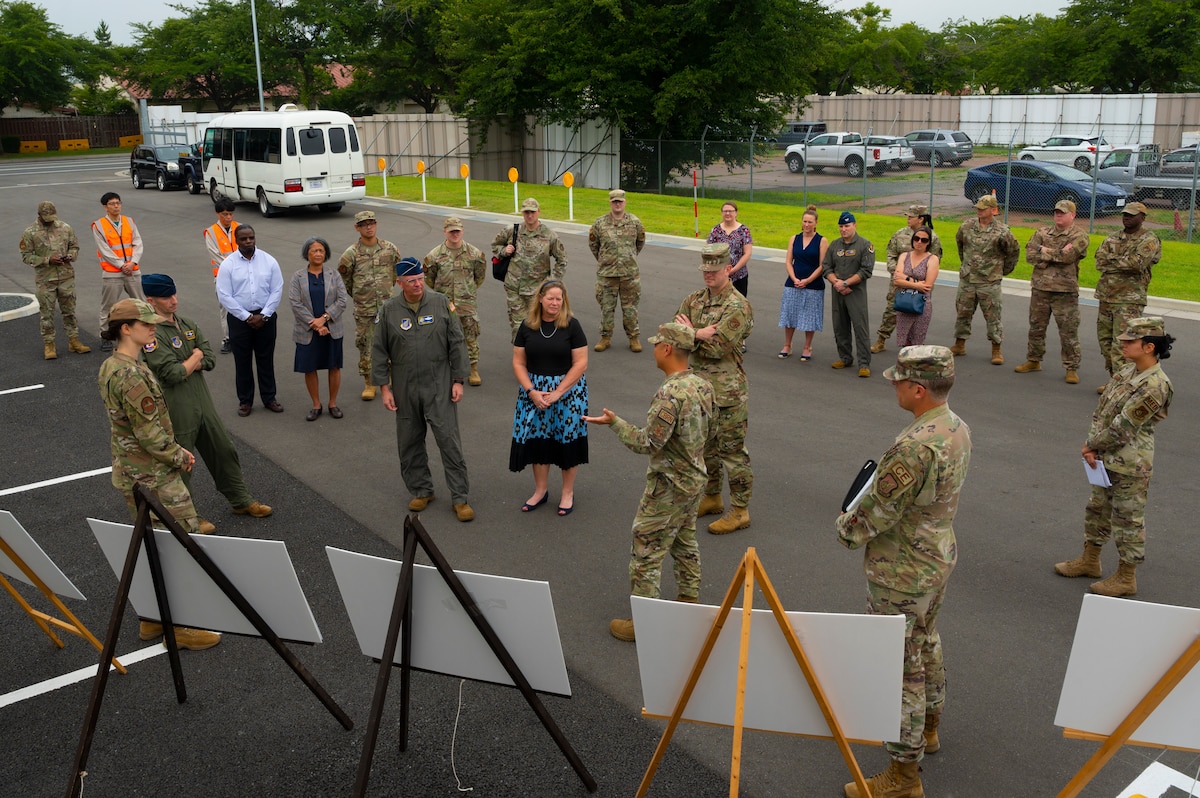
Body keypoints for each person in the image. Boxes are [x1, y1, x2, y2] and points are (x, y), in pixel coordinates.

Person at [836, 345, 971, 798]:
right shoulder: (955, 427)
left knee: (897, 664)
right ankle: (930, 727)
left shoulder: (914, 445)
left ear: (918, 389)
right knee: (925, 641)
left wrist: (846, 529)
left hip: (902, 568)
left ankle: (903, 775)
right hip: (936, 557)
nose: (893, 385)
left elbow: (877, 510)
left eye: (899, 380)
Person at [97, 298, 221, 651]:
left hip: (131, 473)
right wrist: (179, 456)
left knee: (152, 545)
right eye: (146, 323)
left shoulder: (111, 365)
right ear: (126, 328)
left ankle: (152, 618)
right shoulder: (130, 374)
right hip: (154, 476)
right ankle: (183, 626)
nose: (153, 327)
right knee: (183, 544)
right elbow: (149, 434)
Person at [584, 322, 714, 642]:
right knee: (684, 540)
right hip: (695, 477)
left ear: (667, 349)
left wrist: (614, 423)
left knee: (646, 548)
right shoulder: (703, 385)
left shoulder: (670, 393)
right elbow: (712, 434)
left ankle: (645, 621)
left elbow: (648, 443)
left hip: (669, 485)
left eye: (658, 344)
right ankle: (688, 602)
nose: (653, 348)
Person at [140, 274, 273, 532]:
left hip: (203, 401)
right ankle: (187, 516)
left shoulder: (187, 323)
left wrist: (193, 360)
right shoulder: (152, 335)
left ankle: (240, 499)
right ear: (151, 300)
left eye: (174, 294)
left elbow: (210, 359)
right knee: (181, 461)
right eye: (167, 297)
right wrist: (195, 356)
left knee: (223, 450)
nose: (174, 300)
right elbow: (171, 373)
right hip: (177, 406)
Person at [1054, 317, 1173, 598]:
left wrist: (1092, 445)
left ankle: (1126, 577)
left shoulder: (1155, 385)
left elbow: (1125, 426)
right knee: (1098, 509)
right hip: (1105, 454)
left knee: (1128, 518)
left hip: (1130, 462)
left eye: (1130, 341)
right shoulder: (1126, 371)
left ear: (1149, 347)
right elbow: (1104, 410)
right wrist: (1093, 445)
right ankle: (1090, 560)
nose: (1123, 344)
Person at [372, 257, 474, 522]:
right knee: (409, 442)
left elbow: (457, 342)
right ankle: (421, 489)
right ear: (399, 283)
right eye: (411, 281)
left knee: (448, 441)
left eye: (420, 279)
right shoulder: (388, 310)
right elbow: (379, 351)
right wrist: (384, 388)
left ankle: (460, 497)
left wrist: (458, 381)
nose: (418, 285)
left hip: (439, 384)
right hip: (405, 387)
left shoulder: (441, 303)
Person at [675, 243, 754, 535]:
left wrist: (689, 334)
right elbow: (670, 334)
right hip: (697, 388)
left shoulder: (737, 306)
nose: (708, 274)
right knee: (705, 449)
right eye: (705, 269)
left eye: (714, 269)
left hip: (727, 392)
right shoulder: (694, 300)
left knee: (732, 453)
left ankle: (740, 509)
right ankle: (711, 496)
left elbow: (720, 346)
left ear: (728, 269)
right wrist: (698, 333)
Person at [511, 279, 589, 516]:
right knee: (538, 441)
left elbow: (581, 363)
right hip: (534, 392)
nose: (555, 303)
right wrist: (531, 392)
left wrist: (558, 392)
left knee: (567, 442)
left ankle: (567, 492)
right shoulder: (526, 326)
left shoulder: (572, 326)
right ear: (540, 299)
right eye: (551, 298)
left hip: (568, 392)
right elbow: (518, 362)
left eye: (559, 298)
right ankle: (540, 491)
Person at [1014, 199, 1090, 384]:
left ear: (1072, 215)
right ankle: (1034, 360)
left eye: (1063, 212)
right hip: (1041, 289)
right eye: (1056, 211)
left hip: (1065, 291)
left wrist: (1044, 251)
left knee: (1068, 331)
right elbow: (1030, 255)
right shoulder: (1041, 232)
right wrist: (1053, 254)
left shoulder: (1079, 235)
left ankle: (1071, 367)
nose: (1058, 215)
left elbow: (1068, 257)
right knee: (1036, 327)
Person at [215, 225, 284, 416]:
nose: (248, 242)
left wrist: (265, 314)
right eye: (244, 239)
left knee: (265, 359)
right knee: (242, 361)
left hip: (266, 318)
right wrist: (247, 317)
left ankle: (269, 398)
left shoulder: (268, 261)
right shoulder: (228, 264)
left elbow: (277, 289)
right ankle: (245, 401)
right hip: (239, 320)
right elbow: (224, 295)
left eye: (251, 238)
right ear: (237, 241)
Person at [1093, 202, 1162, 393]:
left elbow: (1137, 264)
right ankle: (1115, 380)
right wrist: (1121, 261)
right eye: (1125, 214)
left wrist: (1112, 261)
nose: (1127, 218)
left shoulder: (1149, 239)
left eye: (1132, 215)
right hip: (1106, 296)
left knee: (1122, 344)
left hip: (1129, 300)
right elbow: (1099, 260)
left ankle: (1123, 386)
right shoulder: (1114, 237)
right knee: (1105, 341)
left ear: (1142, 217)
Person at [338, 210, 402, 401]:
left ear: (376, 224)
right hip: (364, 308)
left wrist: (384, 291)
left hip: (387, 306)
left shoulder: (390, 249)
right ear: (357, 227)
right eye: (364, 224)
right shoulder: (351, 254)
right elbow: (346, 281)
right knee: (366, 344)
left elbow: (396, 274)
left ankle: (389, 376)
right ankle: (369, 382)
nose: (368, 226)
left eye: (371, 222)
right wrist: (362, 295)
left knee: (391, 342)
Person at [950, 194, 1020, 365]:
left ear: (993, 210)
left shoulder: (1002, 231)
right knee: (962, 313)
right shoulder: (966, 226)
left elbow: (1013, 252)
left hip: (989, 282)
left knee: (993, 316)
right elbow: (961, 246)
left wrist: (1001, 271)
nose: (979, 211)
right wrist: (966, 266)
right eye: (978, 208)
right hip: (967, 280)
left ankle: (996, 349)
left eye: (983, 208)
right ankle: (960, 344)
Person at [20, 201, 90, 360]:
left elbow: (74, 246)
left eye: (52, 217)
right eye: (47, 218)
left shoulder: (65, 228)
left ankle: (74, 340)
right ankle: (49, 343)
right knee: (47, 313)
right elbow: (26, 256)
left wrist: (70, 256)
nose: (50, 221)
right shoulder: (30, 232)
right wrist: (47, 260)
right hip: (45, 279)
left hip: (66, 277)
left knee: (70, 311)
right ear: (39, 216)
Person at [288, 238, 349, 421]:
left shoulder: (334, 275)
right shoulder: (297, 277)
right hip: (307, 330)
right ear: (307, 253)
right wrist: (314, 324)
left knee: (334, 366)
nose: (318, 254)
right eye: (314, 250)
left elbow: (342, 300)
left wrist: (324, 319)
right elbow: (295, 303)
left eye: (321, 251)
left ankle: (332, 403)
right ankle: (316, 404)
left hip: (332, 329)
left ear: (326, 253)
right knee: (310, 367)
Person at [423, 216, 487, 386]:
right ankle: (444, 370)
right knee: (442, 338)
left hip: (467, 303)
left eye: (457, 231)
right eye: (451, 231)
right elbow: (429, 279)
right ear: (445, 232)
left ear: (462, 231)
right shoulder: (434, 255)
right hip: (444, 304)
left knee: (471, 336)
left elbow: (479, 277)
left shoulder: (475, 254)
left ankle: (473, 369)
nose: (455, 234)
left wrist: (466, 292)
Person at [872, 205, 944, 354]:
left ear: (921, 219)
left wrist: (911, 280)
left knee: (917, 312)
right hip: (899, 283)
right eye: (908, 216)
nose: (908, 219)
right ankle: (881, 339)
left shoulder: (932, 237)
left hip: (920, 286)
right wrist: (896, 273)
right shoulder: (900, 234)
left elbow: (935, 261)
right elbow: (891, 255)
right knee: (892, 309)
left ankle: (914, 344)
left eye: (911, 216)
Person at [494, 198, 569, 338]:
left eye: (533, 212)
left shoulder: (549, 235)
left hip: (538, 291)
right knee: (517, 326)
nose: (530, 215)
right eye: (526, 212)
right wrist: (504, 251)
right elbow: (495, 246)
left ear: (538, 212)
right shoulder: (512, 231)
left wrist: (552, 282)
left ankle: (537, 355)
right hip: (514, 287)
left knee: (537, 325)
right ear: (522, 213)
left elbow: (562, 259)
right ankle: (521, 356)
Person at [589, 188, 646, 353]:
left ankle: (633, 337)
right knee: (606, 308)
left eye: (620, 201)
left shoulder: (635, 222)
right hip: (607, 274)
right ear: (610, 203)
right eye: (614, 201)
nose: (617, 204)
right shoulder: (599, 223)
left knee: (630, 308)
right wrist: (606, 260)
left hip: (629, 274)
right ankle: (605, 337)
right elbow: (594, 245)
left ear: (625, 202)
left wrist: (628, 258)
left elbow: (639, 243)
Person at [822, 211, 875, 377]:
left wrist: (846, 283)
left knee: (860, 327)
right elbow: (826, 267)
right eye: (841, 226)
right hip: (837, 291)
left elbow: (866, 270)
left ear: (854, 225)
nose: (843, 229)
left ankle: (864, 363)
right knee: (840, 326)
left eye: (847, 226)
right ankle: (845, 357)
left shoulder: (865, 245)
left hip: (855, 292)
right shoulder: (834, 245)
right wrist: (836, 282)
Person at [92, 192, 146, 351]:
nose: (116, 206)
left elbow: (138, 243)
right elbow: (104, 250)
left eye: (118, 203)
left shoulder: (129, 221)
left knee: (140, 302)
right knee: (108, 306)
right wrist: (122, 264)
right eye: (112, 204)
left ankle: (144, 333)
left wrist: (133, 262)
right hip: (112, 273)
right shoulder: (99, 225)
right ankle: (105, 335)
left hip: (133, 270)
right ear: (105, 207)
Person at [778, 205, 828, 361]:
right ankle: (787, 344)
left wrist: (807, 280)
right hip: (793, 282)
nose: (807, 225)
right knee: (790, 314)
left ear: (816, 223)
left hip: (813, 285)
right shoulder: (794, 238)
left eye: (810, 222)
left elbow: (822, 265)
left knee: (809, 316)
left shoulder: (822, 240)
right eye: (805, 221)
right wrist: (794, 279)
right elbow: (788, 261)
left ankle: (807, 346)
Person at [892, 226, 940, 348]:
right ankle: (905, 366)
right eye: (917, 238)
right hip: (903, 304)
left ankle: (916, 366)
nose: (919, 242)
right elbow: (896, 280)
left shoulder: (932, 259)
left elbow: (927, 286)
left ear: (928, 243)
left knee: (917, 343)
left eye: (924, 240)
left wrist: (905, 278)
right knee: (904, 342)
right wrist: (915, 283)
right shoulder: (904, 256)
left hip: (921, 305)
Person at [203, 198, 240, 354]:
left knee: (244, 306)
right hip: (223, 277)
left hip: (241, 276)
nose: (228, 218)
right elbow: (216, 256)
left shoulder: (240, 228)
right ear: (218, 214)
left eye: (231, 214)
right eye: (225, 214)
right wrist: (234, 267)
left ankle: (241, 337)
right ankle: (227, 339)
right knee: (225, 309)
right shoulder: (210, 232)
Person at [706, 201, 753, 297]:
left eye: (730, 211)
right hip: (719, 275)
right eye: (725, 211)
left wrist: (733, 270)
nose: (727, 213)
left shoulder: (744, 230)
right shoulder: (716, 230)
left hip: (739, 276)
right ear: (722, 213)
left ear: (736, 213)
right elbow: (708, 251)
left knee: (739, 305)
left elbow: (747, 253)